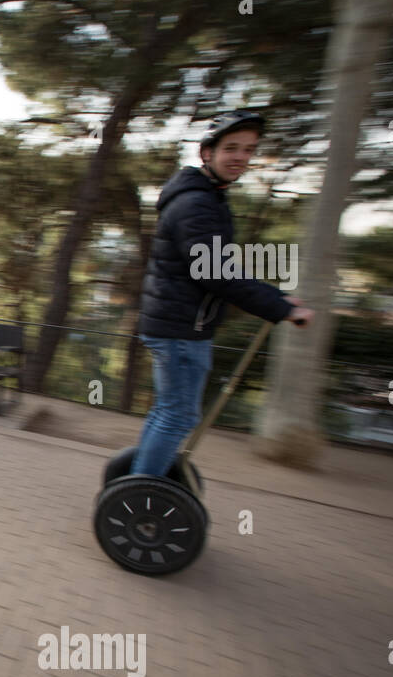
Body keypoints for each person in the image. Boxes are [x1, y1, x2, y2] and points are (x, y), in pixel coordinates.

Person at [134, 110, 315, 476]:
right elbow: (215, 273)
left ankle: (138, 484)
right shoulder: (196, 203)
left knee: (168, 411)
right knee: (178, 415)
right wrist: (279, 309)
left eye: (248, 150)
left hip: (177, 325)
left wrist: (278, 299)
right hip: (182, 329)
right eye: (231, 148)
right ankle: (140, 498)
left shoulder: (205, 197)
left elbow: (221, 266)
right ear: (206, 153)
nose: (241, 158)